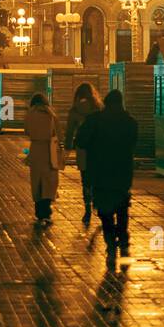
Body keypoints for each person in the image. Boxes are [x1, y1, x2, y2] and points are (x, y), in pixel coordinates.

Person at [85, 88, 138, 259]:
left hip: (100, 172)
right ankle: (123, 239)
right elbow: (133, 143)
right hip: (122, 172)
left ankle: (110, 243)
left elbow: (81, 140)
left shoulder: (94, 120)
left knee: (105, 210)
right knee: (122, 207)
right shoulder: (130, 122)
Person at [23, 92, 64, 225]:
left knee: (37, 182)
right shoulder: (51, 114)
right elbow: (58, 133)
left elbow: (27, 130)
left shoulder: (30, 114)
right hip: (49, 151)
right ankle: (47, 212)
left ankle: (39, 212)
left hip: (35, 150)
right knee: (49, 182)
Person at [66, 81, 103, 227]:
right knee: (98, 179)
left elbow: (69, 132)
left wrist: (67, 147)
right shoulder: (99, 108)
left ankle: (87, 208)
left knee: (86, 180)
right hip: (99, 150)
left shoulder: (75, 110)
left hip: (83, 151)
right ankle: (99, 205)